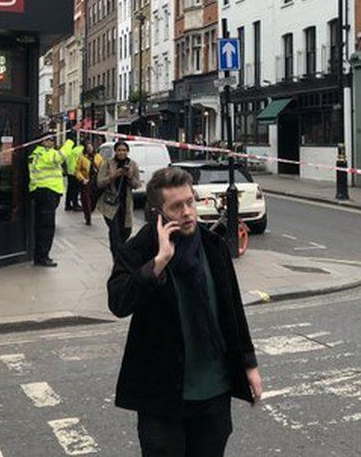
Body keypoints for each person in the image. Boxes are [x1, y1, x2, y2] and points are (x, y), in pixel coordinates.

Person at [108, 167, 263, 457]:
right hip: (163, 394)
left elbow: (231, 309)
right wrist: (158, 263)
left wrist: (249, 365)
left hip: (214, 390)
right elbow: (118, 302)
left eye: (190, 202)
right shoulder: (141, 249)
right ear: (159, 211)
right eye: (176, 207)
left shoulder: (213, 246)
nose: (187, 212)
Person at [28, 134, 74, 267]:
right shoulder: (43, 154)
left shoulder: (37, 154)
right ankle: (43, 257)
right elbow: (61, 156)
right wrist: (70, 138)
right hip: (47, 192)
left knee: (41, 225)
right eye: (50, 139)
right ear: (42, 141)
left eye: (53, 139)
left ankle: (40, 255)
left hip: (42, 192)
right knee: (47, 227)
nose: (52, 142)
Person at [98, 140, 141, 257]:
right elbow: (100, 183)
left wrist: (129, 177)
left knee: (126, 231)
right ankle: (117, 259)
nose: (121, 153)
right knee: (115, 233)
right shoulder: (107, 163)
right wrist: (114, 175)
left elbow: (137, 184)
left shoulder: (132, 164)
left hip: (125, 204)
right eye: (119, 150)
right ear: (115, 151)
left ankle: (121, 254)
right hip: (110, 204)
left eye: (124, 150)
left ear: (128, 151)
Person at [75, 141, 103, 226]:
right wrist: (82, 179)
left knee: (93, 200)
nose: (90, 149)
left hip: (96, 181)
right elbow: (77, 170)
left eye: (91, 147)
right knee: (86, 200)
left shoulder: (98, 157)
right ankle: (88, 217)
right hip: (86, 181)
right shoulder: (82, 158)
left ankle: (90, 211)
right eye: (88, 147)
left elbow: (102, 167)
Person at [64, 137, 84, 212]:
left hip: (70, 171)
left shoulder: (74, 149)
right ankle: (75, 205)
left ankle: (68, 205)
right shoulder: (81, 150)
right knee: (76, 189)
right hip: (76, 171)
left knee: (70, 189)